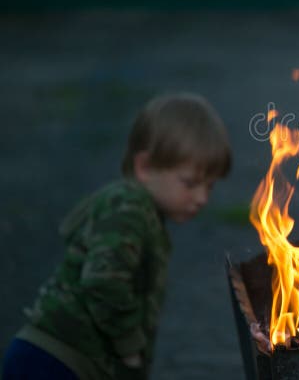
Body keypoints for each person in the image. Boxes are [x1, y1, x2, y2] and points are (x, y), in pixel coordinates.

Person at [2, 93, 232, 380]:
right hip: (53, 362)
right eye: (190, 183)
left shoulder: (141, 211)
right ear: (144, 167)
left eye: (209, 187)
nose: (201, 198)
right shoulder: (129, 210)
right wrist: (130, 348)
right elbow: (104, 282)